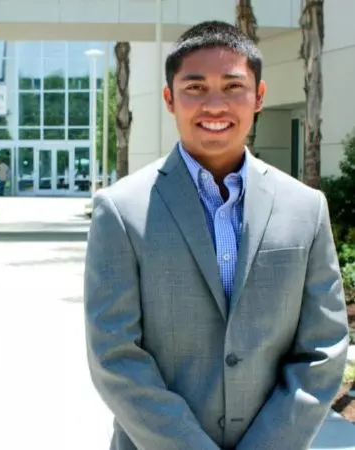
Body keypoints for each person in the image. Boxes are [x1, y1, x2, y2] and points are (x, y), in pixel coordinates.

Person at [83, 21, 349, 450]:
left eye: (232, 86)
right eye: (194, 87)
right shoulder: (121, 210)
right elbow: (114, 357)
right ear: (169, 98)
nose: (214, 105)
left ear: (259, 97)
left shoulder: (305, 208)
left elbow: (324, 349)